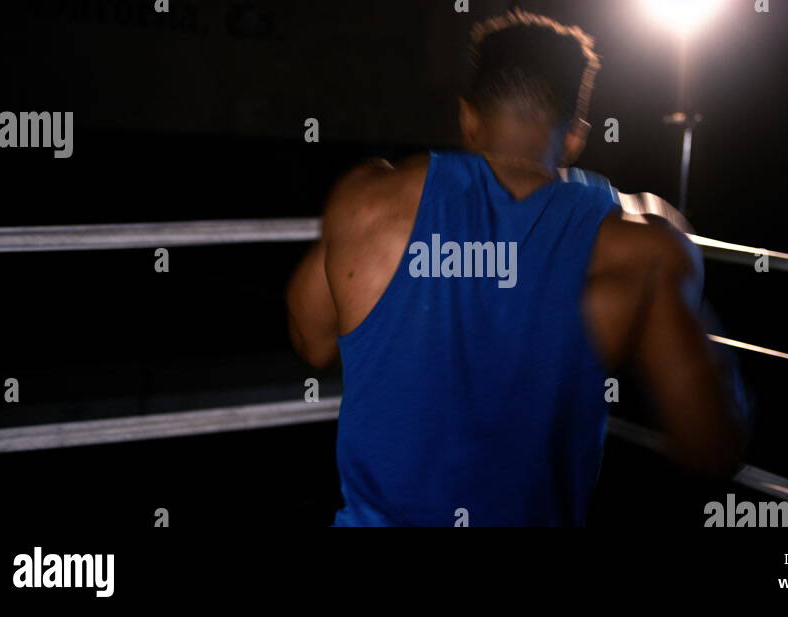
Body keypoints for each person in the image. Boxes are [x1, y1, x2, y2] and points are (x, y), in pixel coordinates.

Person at [287, 9, 746, 526]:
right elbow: (710, 447)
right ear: (574, 135)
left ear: (468, 117)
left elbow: (312, 340)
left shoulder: (367, 200)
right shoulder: (642, 247)